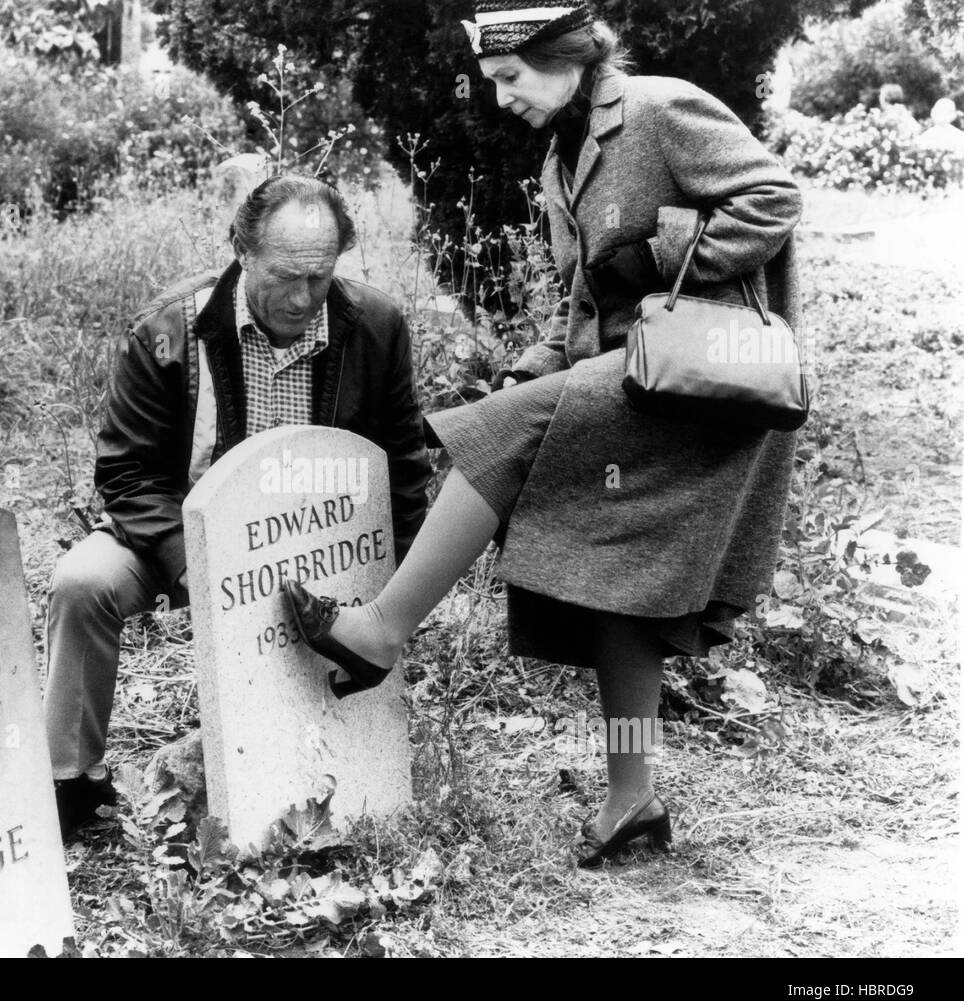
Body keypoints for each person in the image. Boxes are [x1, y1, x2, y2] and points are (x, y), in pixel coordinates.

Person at [286, 0, 804, 868]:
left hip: (702, 377)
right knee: (619, 597)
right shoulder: (565, 154)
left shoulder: (657, 109)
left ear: (567, 55)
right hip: (638, 379)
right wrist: (541, 362)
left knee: (505, 434)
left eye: (511, 77)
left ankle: (382, 626)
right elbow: (586, 307)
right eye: (492, 82)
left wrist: (665, 254)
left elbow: (773, 198)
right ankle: (632, 800)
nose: (501, 99)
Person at [47, 174, 431, 838]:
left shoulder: (374, 327)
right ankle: (70, 783)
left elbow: (400, 467)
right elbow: (129, 472)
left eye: (320, 275)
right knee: (82, 585)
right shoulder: (170, 329)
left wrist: (394, 592)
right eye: (285, 275)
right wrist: (193, 567)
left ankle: (329, 758)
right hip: (186, 533)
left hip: (319, 538)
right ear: (242, 251)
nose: (303, 296)